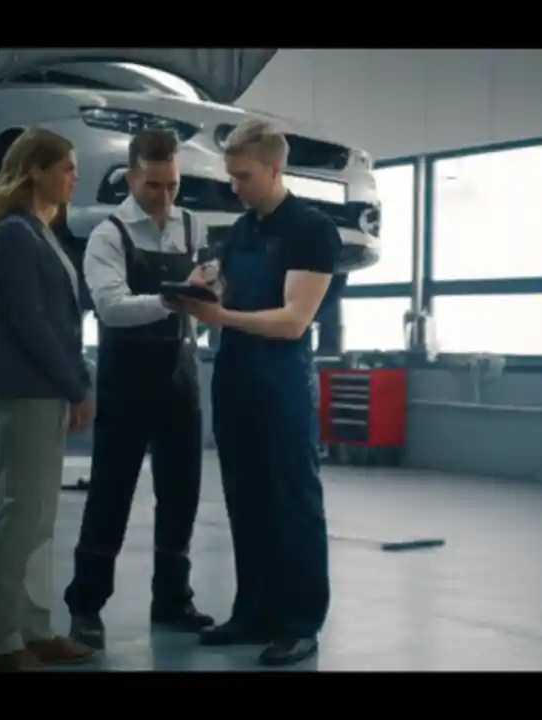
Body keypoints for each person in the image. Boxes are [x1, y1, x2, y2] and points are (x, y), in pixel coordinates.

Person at [173, 119, 340, 667]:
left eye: (242, 176)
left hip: (282, 381)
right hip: (236, 377)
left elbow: (294, 321)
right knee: (245, 500)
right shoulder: (241, 231)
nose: (234, 186)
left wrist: (219, 315)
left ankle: (300, 623)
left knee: (292, 500)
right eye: (230, 176)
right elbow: (230, 284)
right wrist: (206, 284)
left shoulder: (312, 230)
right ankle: (255, 613)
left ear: (275, 168)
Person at [63, 129, 214, 650]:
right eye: (153, 185)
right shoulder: (108, 235)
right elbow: (110, 306)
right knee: (111, 493)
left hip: (181, 380)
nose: (165, 197)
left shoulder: (194, 226)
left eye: (173, 185)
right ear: (131, 177)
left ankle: (172, 600)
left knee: (181, 494)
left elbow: (208, 294)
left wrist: (213, 293)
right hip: (126, 381)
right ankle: (86, 605)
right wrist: (174, 301)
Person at [0, 127, 98, 672]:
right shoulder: (12, 237)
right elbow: (31, 324)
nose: (75, 176)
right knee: (19, 515)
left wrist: (75, 381)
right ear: (35, 171)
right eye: (67, 167)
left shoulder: (42, 233)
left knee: (41, 520)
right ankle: (3, 642)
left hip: (47, 391)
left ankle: (36, 627)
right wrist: (76, 385)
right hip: (26, 393)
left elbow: (62, 325)